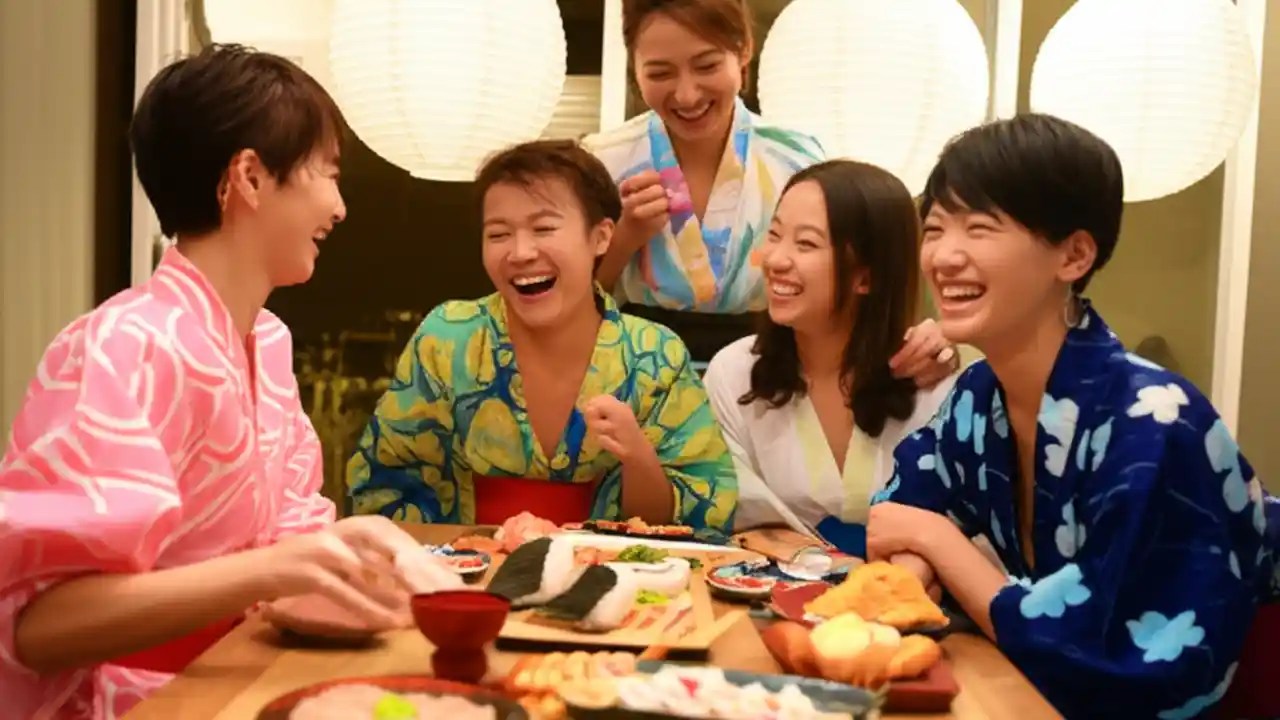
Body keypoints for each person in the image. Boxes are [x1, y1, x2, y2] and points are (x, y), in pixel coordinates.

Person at [0, 45, 441, 720]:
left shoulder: (268, 340)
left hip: (246, 684)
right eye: (328, 173)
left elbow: (289, 538)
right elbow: (40, 626)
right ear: (250, 178)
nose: (340, 207)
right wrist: (271, 570)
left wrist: (354, 542)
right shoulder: (126, 346)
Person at [865, 113, 1279, 720]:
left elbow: (1109, 662)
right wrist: (914, 562)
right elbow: (897, 512)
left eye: (980, 228)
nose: (944, 256)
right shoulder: (977, 396)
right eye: (934, 228)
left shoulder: (1155, 423)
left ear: (1074, 255)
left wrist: (935, 542)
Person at [346, 140, 738, 535]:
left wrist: (637, 455)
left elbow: (692, 520)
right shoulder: (448, 339)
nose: (520, 252)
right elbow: (384, 487)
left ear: (601, 237)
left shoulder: (655, 354)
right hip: (465, 565)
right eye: (498, 234)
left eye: (544, 228)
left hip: (607, 570)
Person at [581, 0, 958, 385]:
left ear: (743, 50)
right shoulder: (604, 159)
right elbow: (566, 301)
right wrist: (624, 238)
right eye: (660, 73)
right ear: (634, 68)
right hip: (636, 378)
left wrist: (923, 342)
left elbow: (847, 282)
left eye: (707, 66)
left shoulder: (794, 158)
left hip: (771, 378)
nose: (687, 95)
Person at [703, 160, 958, 557]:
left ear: (866, 277)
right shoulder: (735, 373)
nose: (775, 259)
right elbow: (732, 517)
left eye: (806, 244)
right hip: (771, 583)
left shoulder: (935, 381)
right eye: (775, 234)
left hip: (910, 589)